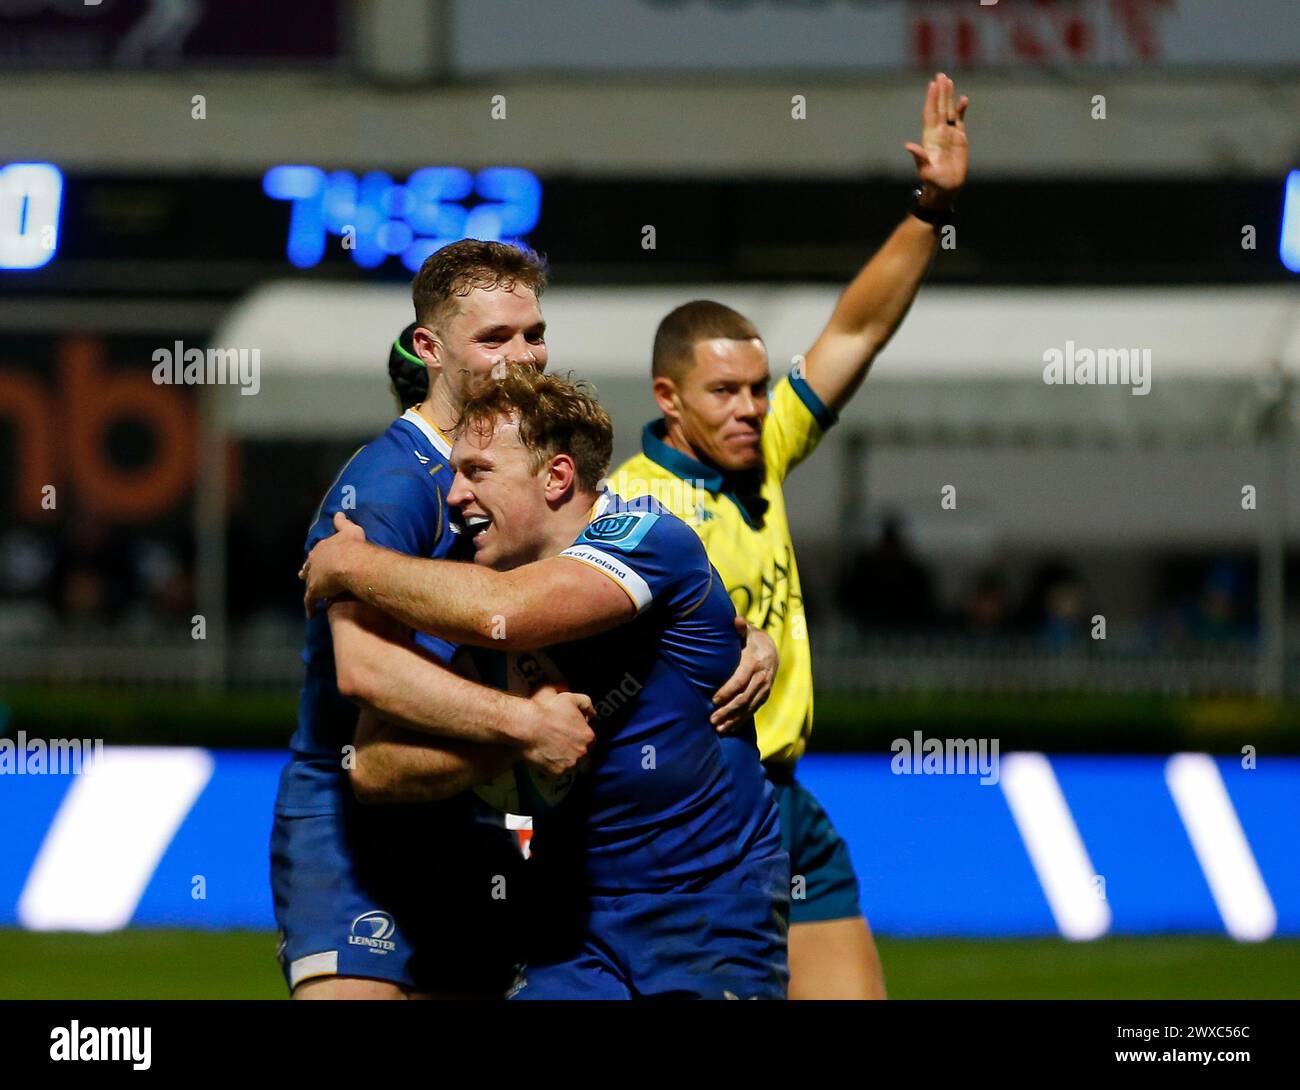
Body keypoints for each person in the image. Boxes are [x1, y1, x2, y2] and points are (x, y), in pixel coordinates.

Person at [605, 73, 971, 999]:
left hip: (785, 796)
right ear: (668, 399)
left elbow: (858, 328)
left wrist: (930, 208)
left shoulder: (761, 454)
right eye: (725, 392)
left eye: (759, 388)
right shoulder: (630, 511)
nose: (751, 408)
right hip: (701, 810)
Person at [301, 368, 790, 999]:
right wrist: (513, 734)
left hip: (707, 909)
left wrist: (350, 561)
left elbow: (505, 615)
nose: (452, 496)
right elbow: (372, 768)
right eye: (452, 472)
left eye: (476, 472)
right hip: (568, 919)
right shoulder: (465, 584)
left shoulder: (645, 536)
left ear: (557, 478)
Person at [270, 240, 597, 999]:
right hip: (350, 829)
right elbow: (366, 669)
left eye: (534, 334)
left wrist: (742, 636)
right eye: (494, 338)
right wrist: (525, 727)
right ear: (429, 347)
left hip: (463, 818)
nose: (523, 358)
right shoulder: (391, 485)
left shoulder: (512, 468)